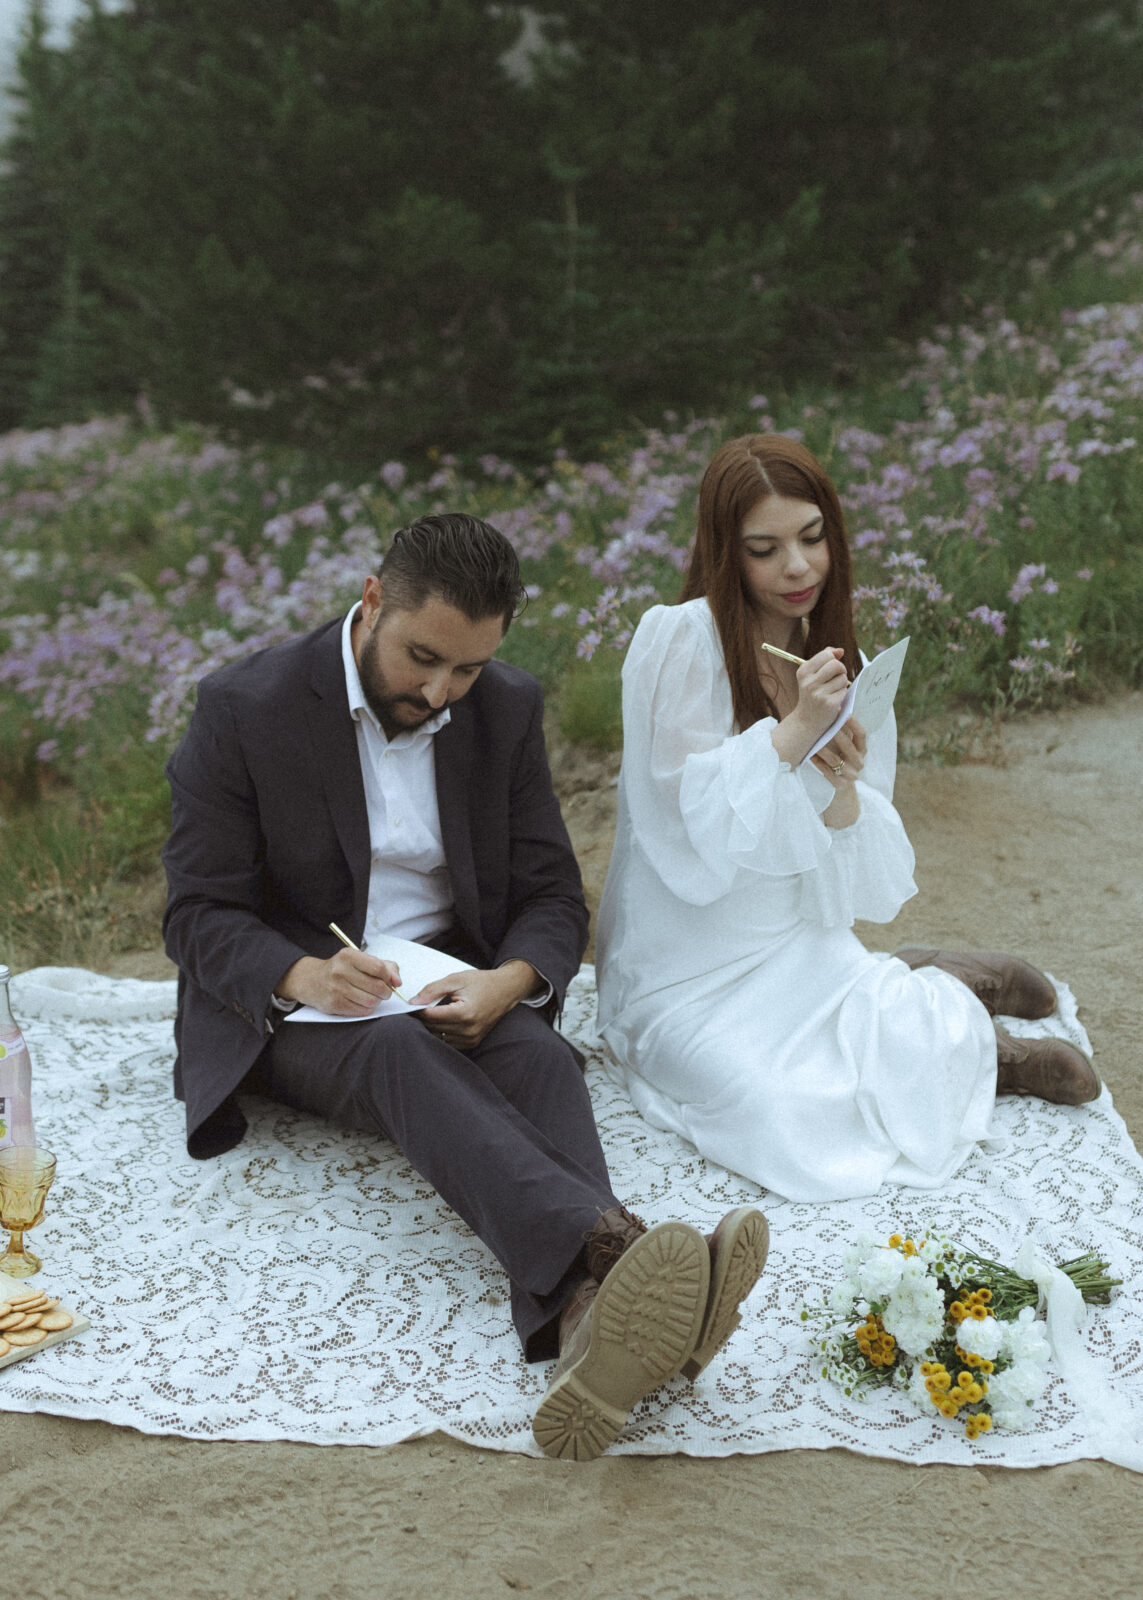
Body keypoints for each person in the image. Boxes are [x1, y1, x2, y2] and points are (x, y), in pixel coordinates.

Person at [162, 511, 768, 1461]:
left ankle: (581, 1323)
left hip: (448, 973)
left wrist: (509, 981)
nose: (440, 691)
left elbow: (550, 895)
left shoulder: (507, 710)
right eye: (421, 659)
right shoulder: (245, 708)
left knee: (538, 1056)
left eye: (468, 670)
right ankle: (619, 1249)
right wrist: (303, 970)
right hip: (295, 999)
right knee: (394, 1049)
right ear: (371, 602)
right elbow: (195, 912)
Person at [595, 436, 1099, 1202]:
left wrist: (841, 787)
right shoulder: (679, 639)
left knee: (885, 1030)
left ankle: (972, 1029)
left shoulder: (843, 668)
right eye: (765, 549)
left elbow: (851, 878)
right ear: (726, 552)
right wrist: (792, 735)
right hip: (684, 969)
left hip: (796, 945)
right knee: (775, 1113)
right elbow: (679, 833)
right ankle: (947, 996)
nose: (796, 568)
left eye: (811, 538)